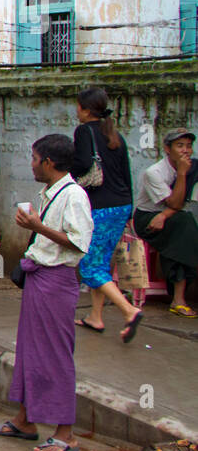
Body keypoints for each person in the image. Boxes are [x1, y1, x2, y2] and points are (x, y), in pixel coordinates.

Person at [0, 134, 93, 451]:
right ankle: (25, 419)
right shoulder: (51, 193)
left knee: (56, 354)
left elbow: (79, 243)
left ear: (48, 162)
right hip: (40, 278)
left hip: (57, 280)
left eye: (34, 158)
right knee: (31, 350)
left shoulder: (74, 196)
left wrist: (37, 225)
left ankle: (65, 434)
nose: (31, 164)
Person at [70, 88, 141, 341]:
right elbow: (126, 172)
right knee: (102, 262)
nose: (76, 110)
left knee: (89, 268)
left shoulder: (83, 131)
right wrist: (129, 209)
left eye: (78, 106)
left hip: (100, 206)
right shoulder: (114, 134)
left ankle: (129, 310)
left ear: (87, 110)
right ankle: (95, 317)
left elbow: (80, 165)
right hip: (121, 205)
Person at [134, 128, 198, 317]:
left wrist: (165, 216)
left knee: (184, 227)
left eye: (189, 146)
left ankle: (179, 297)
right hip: (148, 219)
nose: (185, 151)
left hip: (172, 219)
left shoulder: (194, 167)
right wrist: (182, 174)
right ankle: (178, 299)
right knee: (183, 229)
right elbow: (176, 203)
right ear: (167, 149)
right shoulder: (154, 173)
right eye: (180, 146)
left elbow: (186, 205)